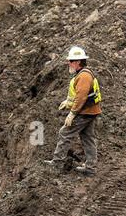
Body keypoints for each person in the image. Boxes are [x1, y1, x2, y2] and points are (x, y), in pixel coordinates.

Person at [43, 45, 102, 176]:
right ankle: (90, 168)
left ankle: (57, 164)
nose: (68, 63)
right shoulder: (84, 74)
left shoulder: (84, 76)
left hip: (84, 112)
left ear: (78, 62)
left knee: (64, 133)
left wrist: (72, 113)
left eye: (70, 61)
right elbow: (81, 95)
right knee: (88, 139)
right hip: (91, 111)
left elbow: (81, 97)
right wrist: (69, 102)